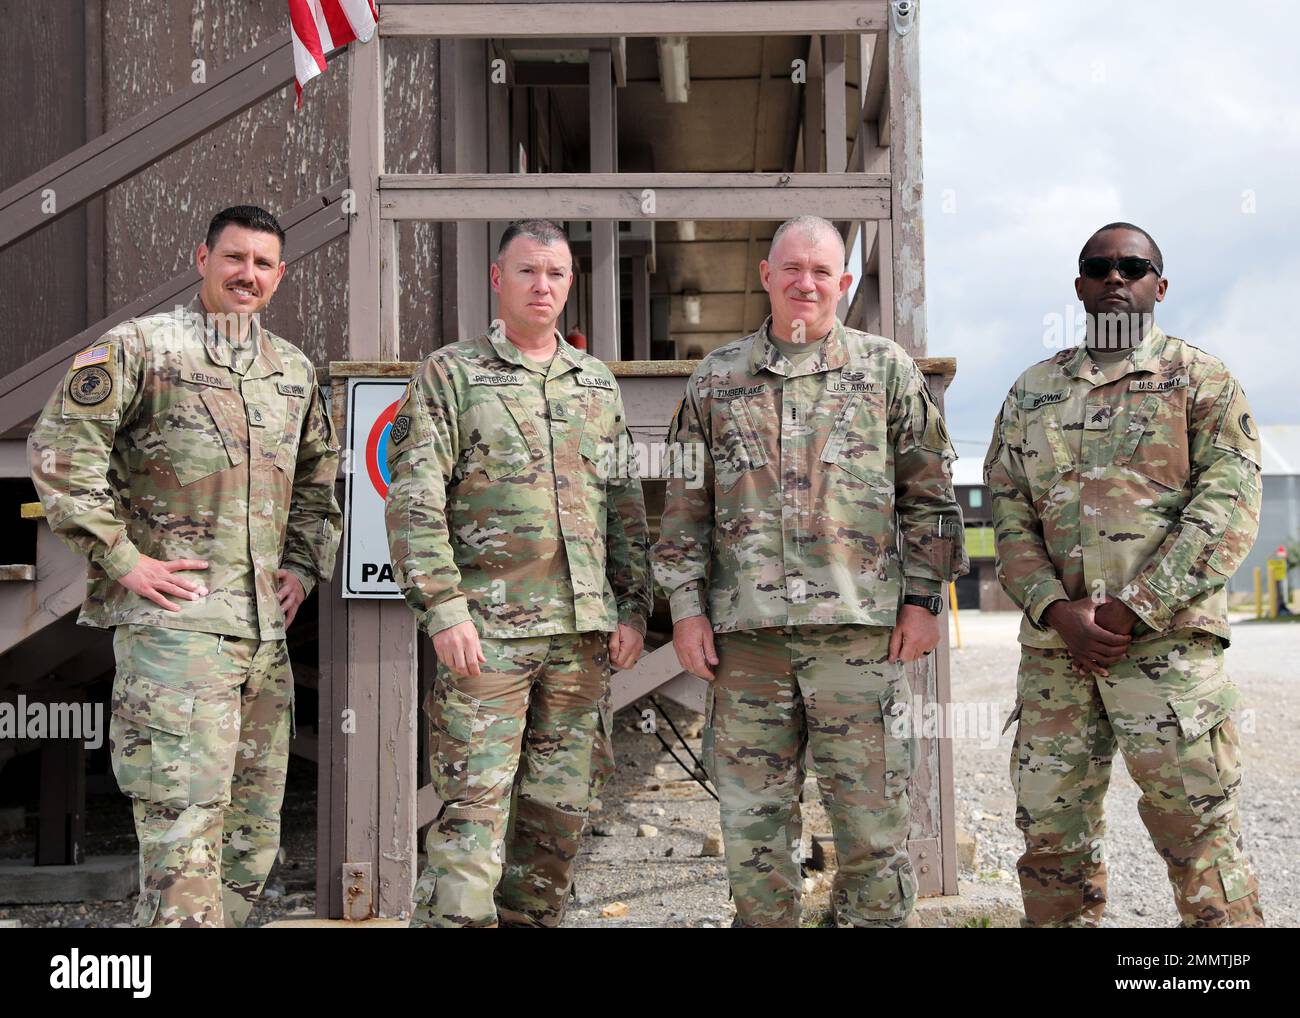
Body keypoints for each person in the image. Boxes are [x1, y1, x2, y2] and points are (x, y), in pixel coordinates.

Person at [28, 205, 342, 927]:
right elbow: (59, 454)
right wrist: (122, 557)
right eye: (234, 258)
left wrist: (302, 565)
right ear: (201, 258)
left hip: (263, 639)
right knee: (182, 836)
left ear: (281, 276)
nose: (248, 275)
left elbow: (321, 478)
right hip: (175, 633)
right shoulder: (145, 348)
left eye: (263, 264)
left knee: (251, 839)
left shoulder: (290, 369)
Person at [652, 215, 967, 927]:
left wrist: (924, 599)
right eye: (792, 268)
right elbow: (682, 508)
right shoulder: (717, 379)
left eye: (822, 271)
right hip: (748, 643)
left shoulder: (885, 371)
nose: (806, 283)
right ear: (765, 275)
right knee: (754, 832)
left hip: (857, 639)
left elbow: (931, 498)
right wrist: (685, 607)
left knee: (872, 828)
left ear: (844, 283)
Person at [984, 222, 1264, 927]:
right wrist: (1055, 609)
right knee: (1051, 845)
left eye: (1133, 266)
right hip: (1059, 657)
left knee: (1199, 842)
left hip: (1167, 655)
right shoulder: (1033, 393)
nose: (1116, 277)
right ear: (1078, 285)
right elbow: (1006, 510)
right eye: (1099, 266)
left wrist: (1135, 607)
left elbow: (1227, 508)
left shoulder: (1202, 381)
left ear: (1158, 286)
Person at [385, 219, 652, 928]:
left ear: (571, 285)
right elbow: (414, 502)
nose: (543, 285)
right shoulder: (450, 374)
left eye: (556, 274)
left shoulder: (594, 383)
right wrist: (443, 608)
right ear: (497, 279)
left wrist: (632, 608)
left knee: (556, 816)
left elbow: (623, 504)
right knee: (474, 812)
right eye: (528, 271)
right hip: (488, 636)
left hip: (581, 637)